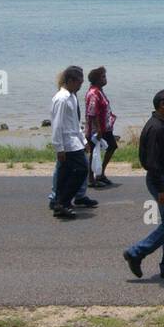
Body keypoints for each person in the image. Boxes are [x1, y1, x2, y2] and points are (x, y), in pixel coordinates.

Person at [123, 90, 164, 278]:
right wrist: (161, 189)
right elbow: (151, 163)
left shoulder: (161, 124)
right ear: (162, 105)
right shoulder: (156, 128)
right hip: (162, 181)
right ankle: (136, 252)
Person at [49, 66, 94, 219]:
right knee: (82, 169)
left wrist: (84, 140)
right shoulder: (61, 99)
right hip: (67, 143)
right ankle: (64, 202)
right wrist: (59, 148)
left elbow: (75, 123)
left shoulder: (72, 97)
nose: (80, 86)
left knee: (65, 174)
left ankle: (59, 204)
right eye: (78, 83)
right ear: (70, 81)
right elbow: (57, 124)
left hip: (75, 141)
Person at [84, 66, 118, 188]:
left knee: (112, 146)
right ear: (97, 79)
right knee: (93, 152)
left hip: (105, 128)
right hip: (96, 130)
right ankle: (91, 179)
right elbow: (92, 112)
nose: (105, 79)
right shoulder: (93, 93)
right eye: (103, 76)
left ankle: (100, 173)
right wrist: (98, 130)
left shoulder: (99, 91)